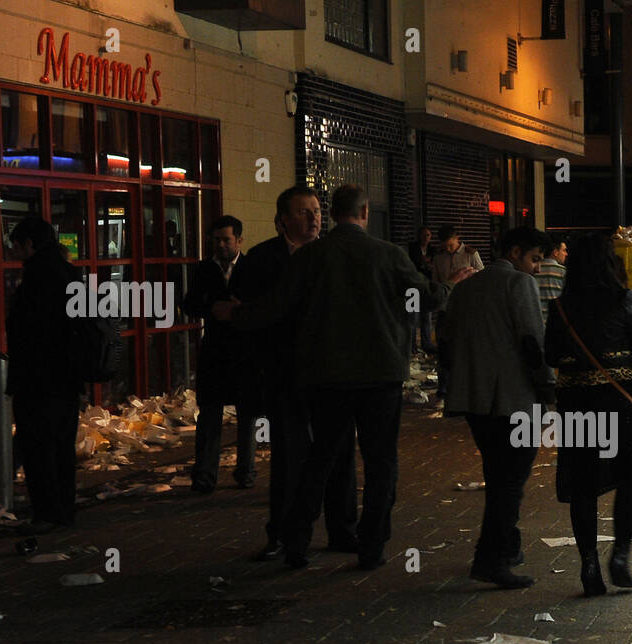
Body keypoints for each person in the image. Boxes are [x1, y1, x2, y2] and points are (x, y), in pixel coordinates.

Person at [237, 184, 461, 570]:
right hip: (380, 376)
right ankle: (371, 545)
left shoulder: (311, 257)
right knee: (380, 462)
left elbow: (278, 307)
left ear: (331, 212)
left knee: (319, 458)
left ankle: (297, 542)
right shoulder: (387, 255)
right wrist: (449, 288)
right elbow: (423, 298)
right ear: (365, 212)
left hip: (327, 378)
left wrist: (235, 314)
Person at [223, 185, 355, 561]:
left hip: (334, 372)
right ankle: (282, 533)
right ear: (283, 220)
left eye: (316, 210)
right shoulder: (262, 259)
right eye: (303, 212)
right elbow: (246, 314)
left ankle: (343, 530)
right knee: (290, 457)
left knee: (340, 452)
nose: (313, 218)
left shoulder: (335, 254)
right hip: (286, 373)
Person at [545, 232, 632, 597]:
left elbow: (549, 355)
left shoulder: (561, 307)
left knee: (583, 485)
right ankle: (621, 555)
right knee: (629, 477)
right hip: (617, 402)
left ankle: (589, 563)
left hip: (577, 404)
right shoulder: (624, 300)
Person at [443, 227, 555, 589]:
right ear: (516, 251)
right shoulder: (519, 285)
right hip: (514, 399)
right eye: (535, 259)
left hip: (474, 400)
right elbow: (533, 342)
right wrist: (548, 390)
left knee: (498, 475)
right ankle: (491, 558)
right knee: (511, 481)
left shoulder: (464, 289)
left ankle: (504, 546)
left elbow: (446, 341)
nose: (537, 268)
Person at [5, 216, 82, 534]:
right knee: (62, 447)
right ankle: (64, 508)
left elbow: (26, 333)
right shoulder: (69, 273)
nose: (13, 253)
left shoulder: (36, 278)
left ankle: (47, 512)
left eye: (16, 246)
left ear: (30, 245)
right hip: (67, 378)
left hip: (38, 379)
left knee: (38, 447)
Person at [186, 214, 258, 493]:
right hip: (215, 352)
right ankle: (204, 476)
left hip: (245, 352)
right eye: (216, 240)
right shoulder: (205, 269)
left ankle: (246, 472)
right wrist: (210, 308)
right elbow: (189, 302)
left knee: (247, 415)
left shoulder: (252, 267)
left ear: (239, 240)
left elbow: (264, 302)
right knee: (210, 415)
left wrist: (242, 310)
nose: (221, 245)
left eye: (226, 239)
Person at [431, 226, 483, 399]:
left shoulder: (470, 254)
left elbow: (483, 278)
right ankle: (444, 388)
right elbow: (435, 282)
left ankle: (467, 387)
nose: (448, 249)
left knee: (466, 347)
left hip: (467, 307)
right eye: (445, 246)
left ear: (457, 239)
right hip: (446, 308)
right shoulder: (439, 258)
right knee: (444, 348)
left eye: (451, 245)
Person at [407, 225, 437, 354]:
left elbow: (433, 266)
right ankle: (411, 346)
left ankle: (427, 344)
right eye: (424, 235)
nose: (426, 238)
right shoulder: (412, 248)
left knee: (426, 317)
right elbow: (414, 264)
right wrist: (424, 263)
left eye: (428, 235)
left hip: (427, 287)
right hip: (412, 287)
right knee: (412, 318)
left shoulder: (433, 250)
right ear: (419, 236)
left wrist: (426, 263)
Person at [535, 236, 568, 323]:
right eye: (564, 250)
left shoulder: (534, 269)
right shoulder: (563, 271)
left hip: (536, 320)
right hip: (554, 321)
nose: (566, 254)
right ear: (556, 252)